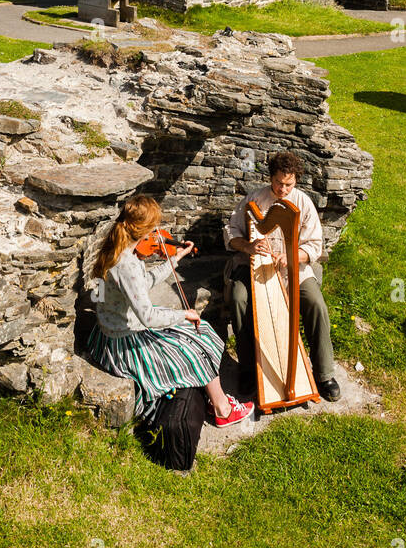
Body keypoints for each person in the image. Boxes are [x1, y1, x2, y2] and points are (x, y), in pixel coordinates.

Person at [87, 194, 253, 427]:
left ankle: (216, 400)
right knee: (195, 345)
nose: (156, 233)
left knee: (200, 330)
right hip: (125, 341)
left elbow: (142, 285)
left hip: (113, 330)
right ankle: (222, 409)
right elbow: (147, 316)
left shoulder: (117, 249)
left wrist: (175, 259)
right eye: (153, 227)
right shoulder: (128, 265)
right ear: (142, 230)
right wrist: (183, 314)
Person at [225, 151, 341, 402]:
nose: (283, 189)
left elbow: (314, 246)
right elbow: (231, 231)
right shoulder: (255, 198)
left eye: (288, 184)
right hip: (254, 266)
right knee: (238, 298)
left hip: (294, 271)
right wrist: (248, 247)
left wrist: (292, 256)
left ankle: (324, 374)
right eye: (279, 182)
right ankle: (247, 368)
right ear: (271, 178)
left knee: (316, 305)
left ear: (296, 181)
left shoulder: (303, 203)